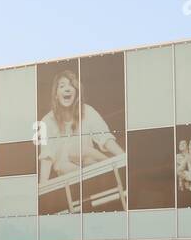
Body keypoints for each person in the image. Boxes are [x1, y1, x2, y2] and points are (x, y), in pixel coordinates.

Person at [37, 69, 125, 212]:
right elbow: (47, 156)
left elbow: (105, 137)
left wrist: (123, 158)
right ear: (56, 95)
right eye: (62, 86)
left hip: (94, 167)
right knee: (61, 164)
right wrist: (43, 188)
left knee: (75, 150)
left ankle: (107, 178)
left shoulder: (87, 111)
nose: (67, 88)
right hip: (71, 178)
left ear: (76, 91)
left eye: (71, 85)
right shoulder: (46, 121)